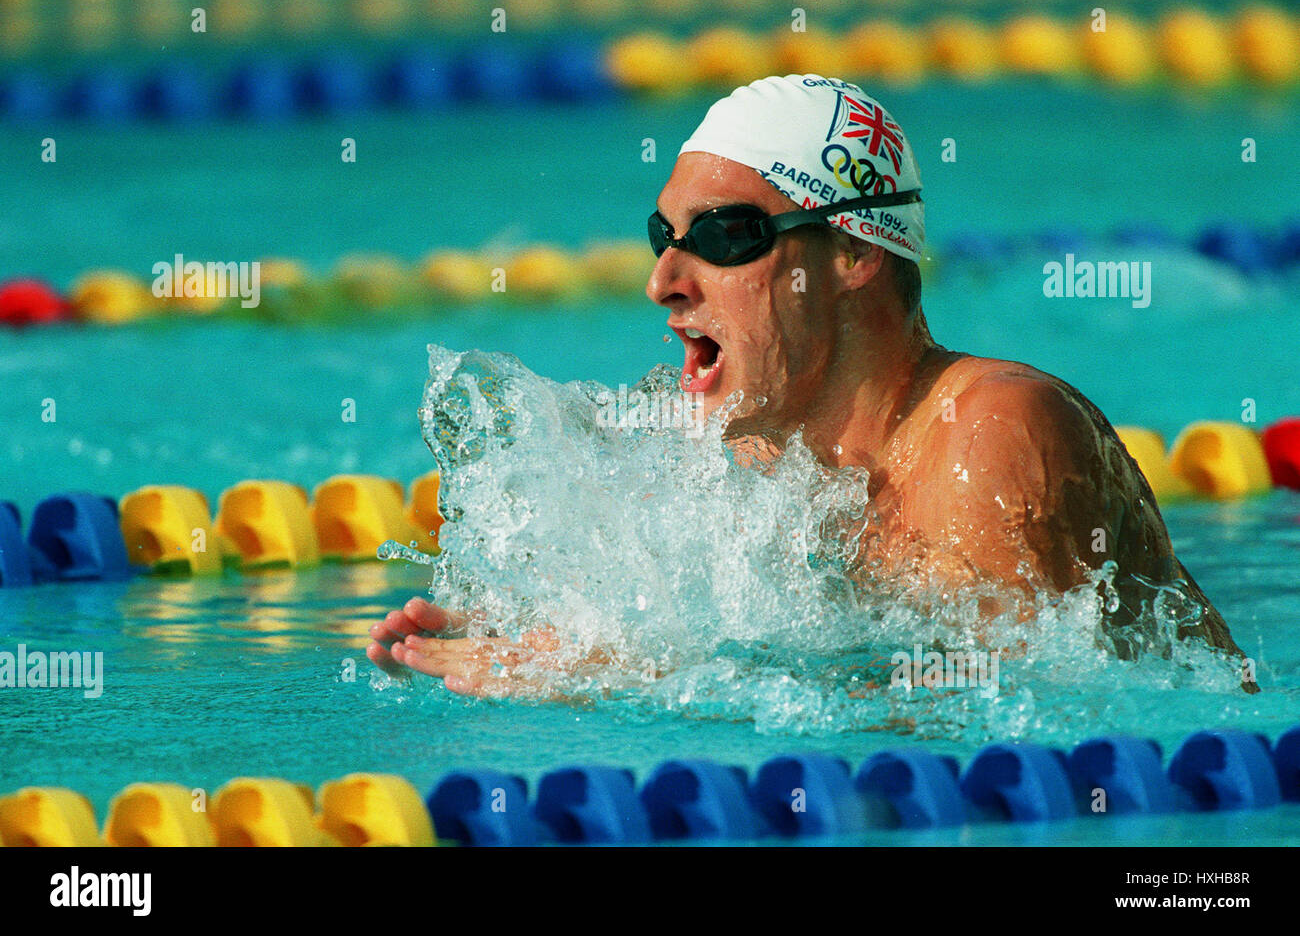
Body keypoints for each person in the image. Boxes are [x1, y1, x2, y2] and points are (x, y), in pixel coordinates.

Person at [369, 74, 1251, 695]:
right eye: (661, 236)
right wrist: (559, 642)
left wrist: (606, 679)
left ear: (856, 253)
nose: (665, 280)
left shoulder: (994, 432)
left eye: (722, 237)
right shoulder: (752, 469)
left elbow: (1008, 721)